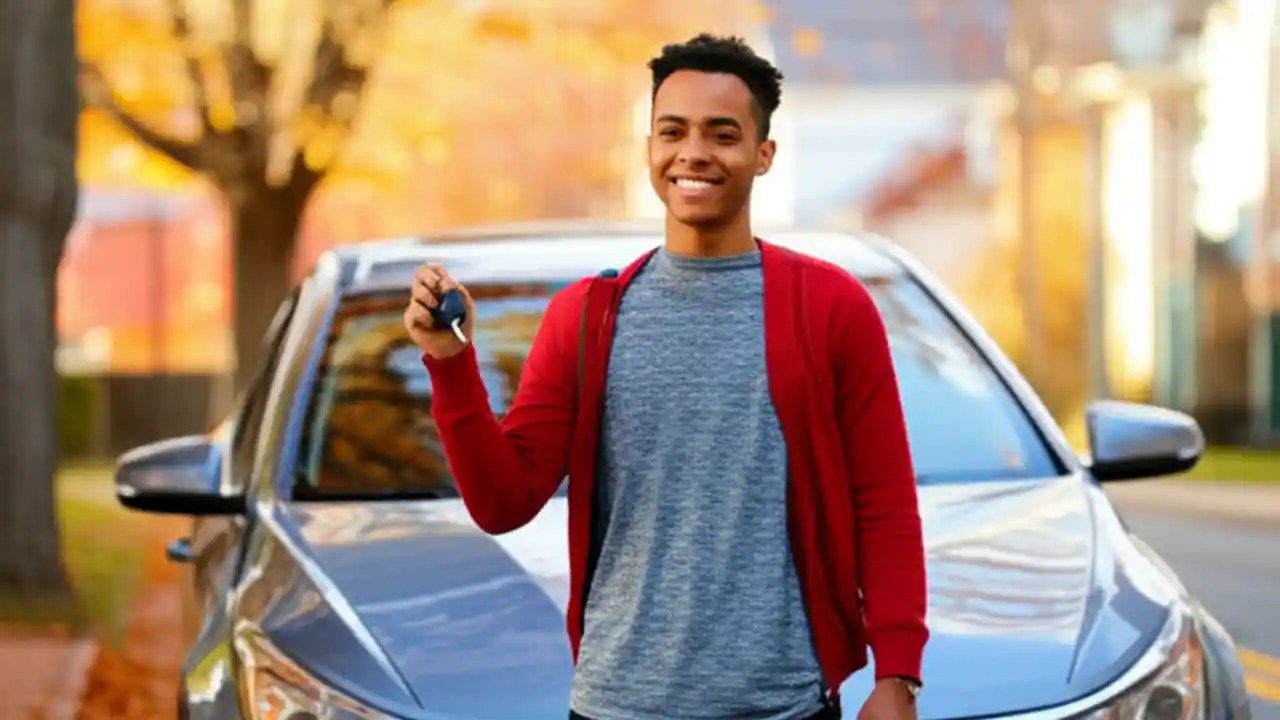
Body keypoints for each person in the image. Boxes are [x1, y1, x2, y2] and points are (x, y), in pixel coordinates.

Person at [404, 33, 928, 720]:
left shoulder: (831, 310)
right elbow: (504, 501)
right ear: (649, 146)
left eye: (723, 134)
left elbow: (882, 502)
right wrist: (451, 364)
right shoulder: (584, 320)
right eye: (672, 131)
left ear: (764, 155)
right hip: (616, 704)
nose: (694, 154)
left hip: (783, 706)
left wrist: (898, 674)